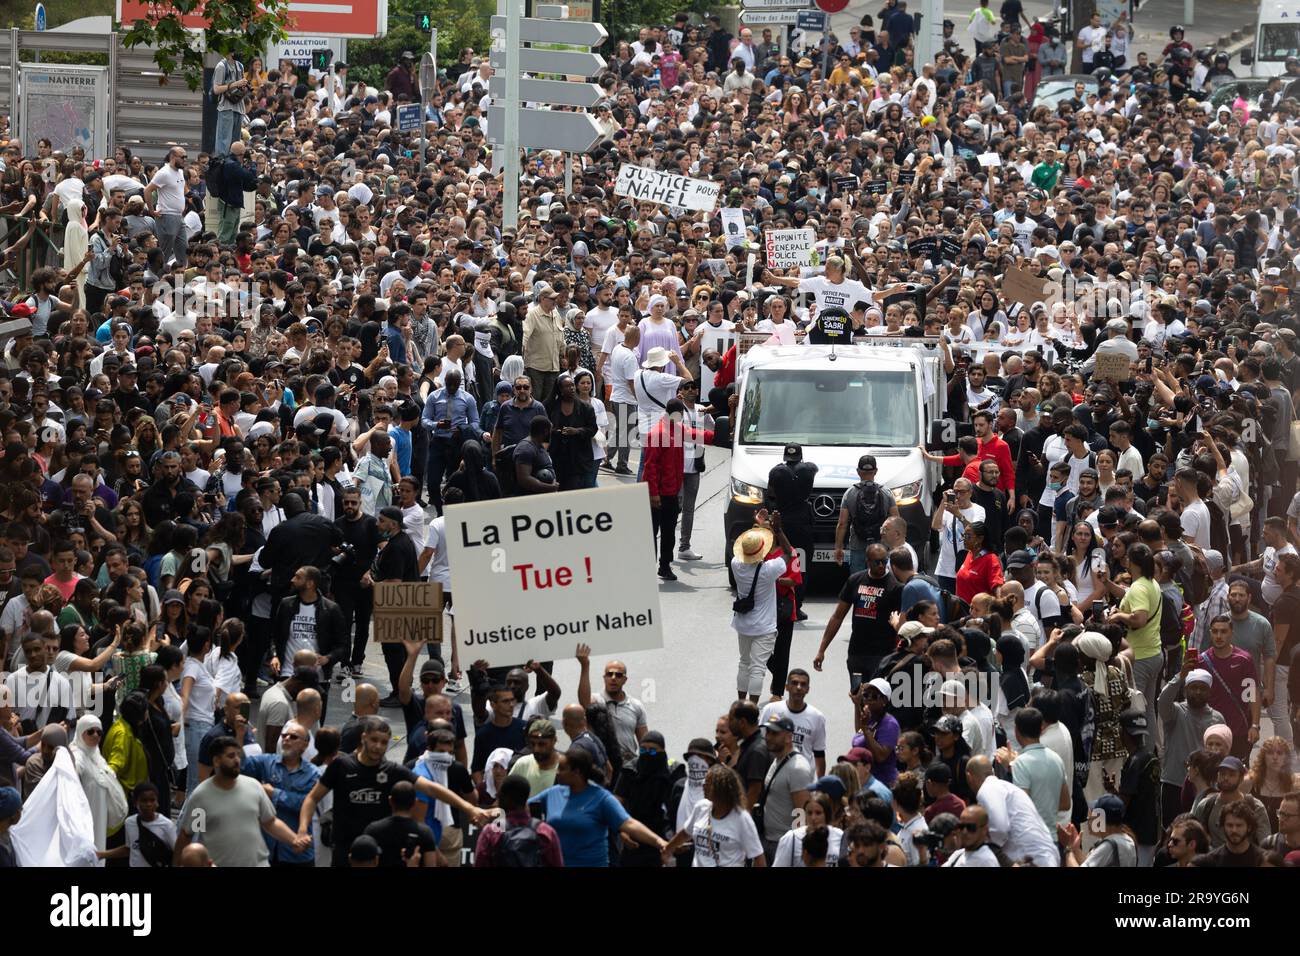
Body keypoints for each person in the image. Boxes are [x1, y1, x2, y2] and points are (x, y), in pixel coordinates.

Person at [174, 737, 309, 867]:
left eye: (238, 755)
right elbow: (189, 834)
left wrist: (294, 840)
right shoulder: (202, 797)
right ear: (216, 761)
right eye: (231, 756)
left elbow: (270, 822)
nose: (237, 760)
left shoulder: (254, 786)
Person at [529, 747, 666, 867]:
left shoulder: (601, 798)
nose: (557, 772)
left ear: (577, 772)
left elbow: (629, 824)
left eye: (562, 768)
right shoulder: (553, 793)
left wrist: (659, 842)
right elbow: (521, 810)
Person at [662, 763, 765, 867]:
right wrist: (668, 849)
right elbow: (685, 833)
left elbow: (758, 857)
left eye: (708, 783)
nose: (703, 785)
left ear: (722, 788)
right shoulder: (701, 807)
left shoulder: (741, 818)